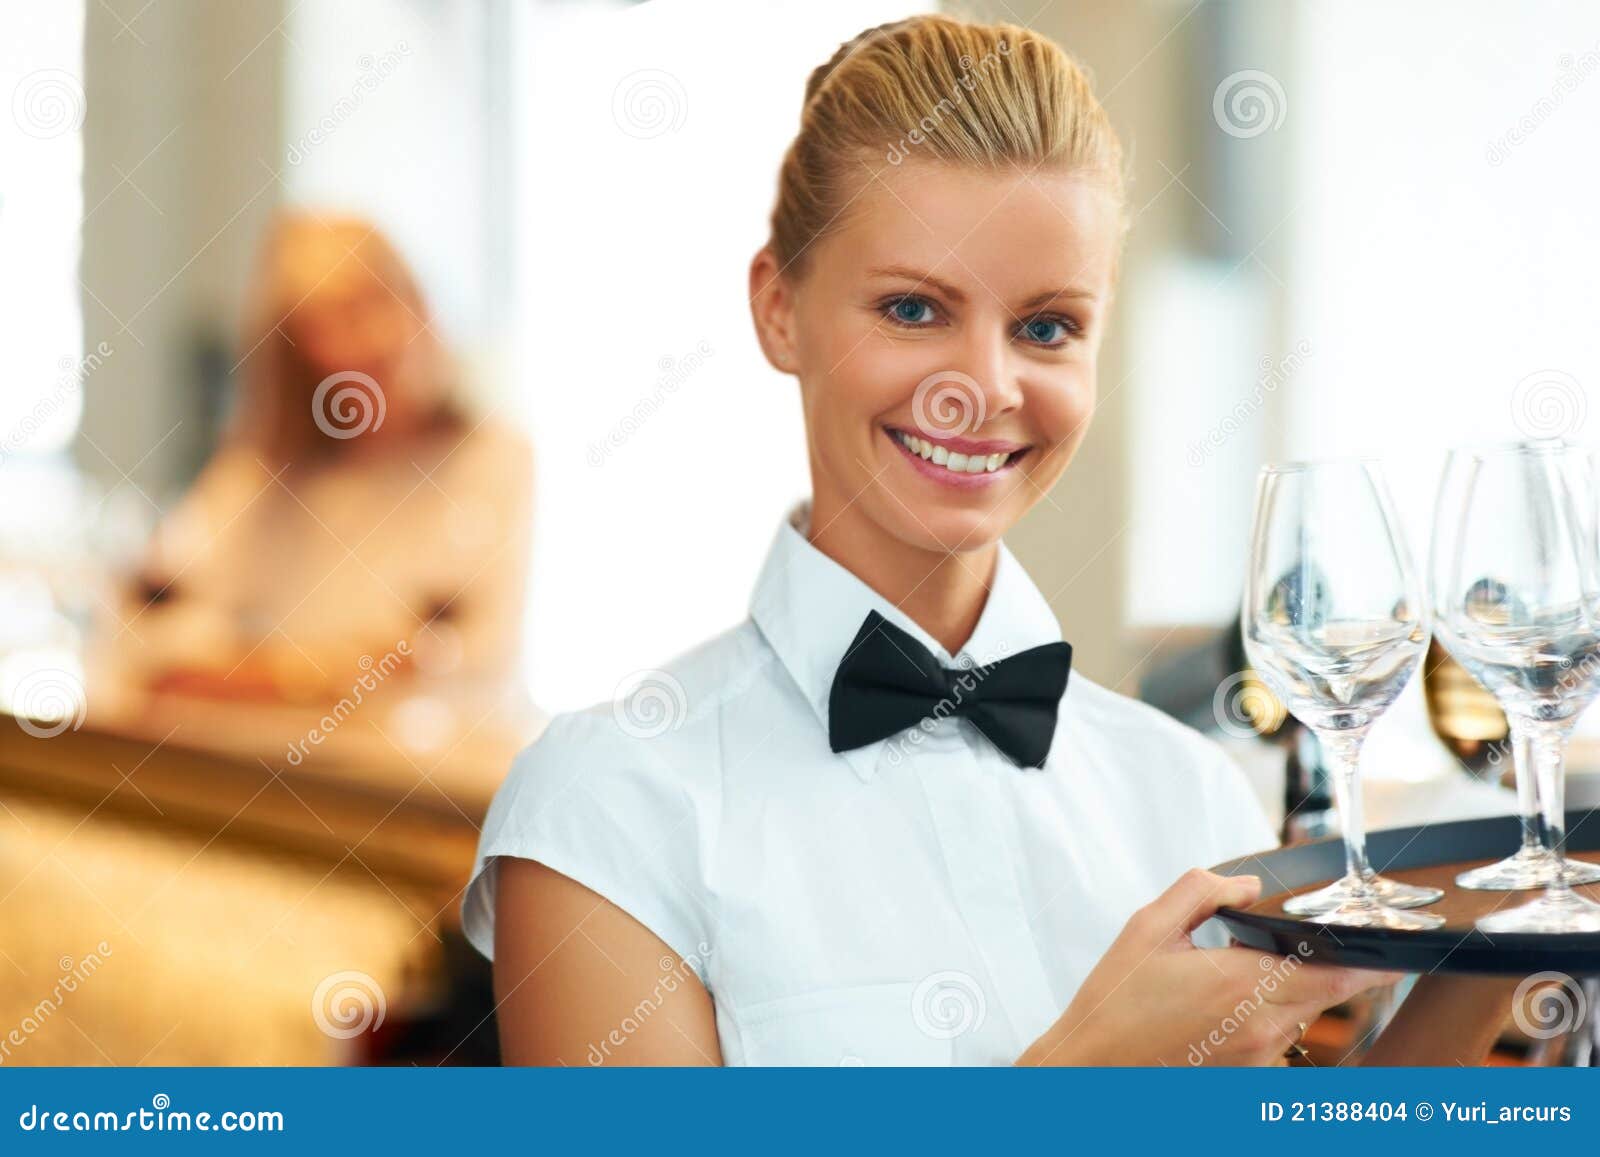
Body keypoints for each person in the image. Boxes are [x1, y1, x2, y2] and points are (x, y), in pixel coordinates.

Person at [463, 14, 1400, 1066]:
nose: (982, 388)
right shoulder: (606, 802)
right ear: (779, 308)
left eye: (1046, 327)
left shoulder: (1191, 790)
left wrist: (1487, 970)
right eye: (913, 309)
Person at [111, 212, 532, 703]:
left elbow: (462, 658)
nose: (374, 339)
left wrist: (262, 672)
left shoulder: (490, 460)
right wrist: (299, 674)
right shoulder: (260, 476)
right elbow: (146, 631)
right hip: (254, 747)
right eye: (332, 322)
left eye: (382, 301)